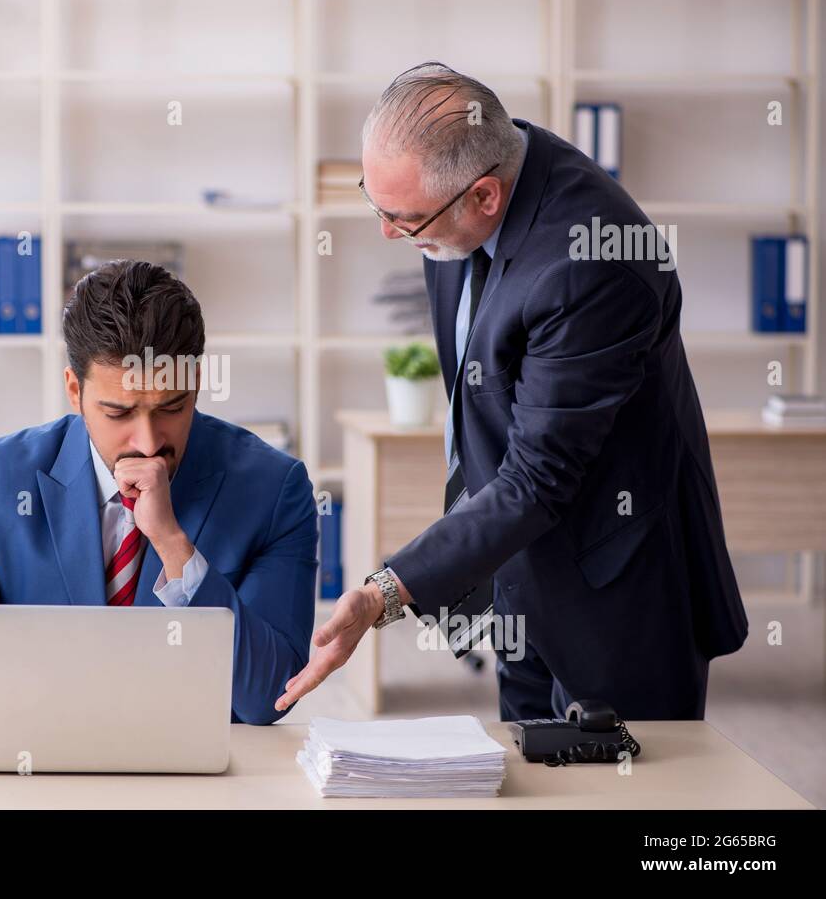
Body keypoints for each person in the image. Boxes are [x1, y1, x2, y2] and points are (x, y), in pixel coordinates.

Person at [277, 62, 747, 721]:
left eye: (402, 218)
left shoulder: (593, 264)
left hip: (618, 580)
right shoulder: (457, 188)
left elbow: (538, 478)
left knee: (626, 786)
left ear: (486, 198)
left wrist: (385, 589)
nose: (387, 231)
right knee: (525, 771)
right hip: (518, 564)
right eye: (375, 202)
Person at [0, 259, 318, 759]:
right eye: (118, 412)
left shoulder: (274, 489)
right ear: (75, 390)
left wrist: (175, 547)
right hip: (36, 766)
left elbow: (269, 695)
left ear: (197, 383)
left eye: (171, 407)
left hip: (190, 776)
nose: (148, 440)